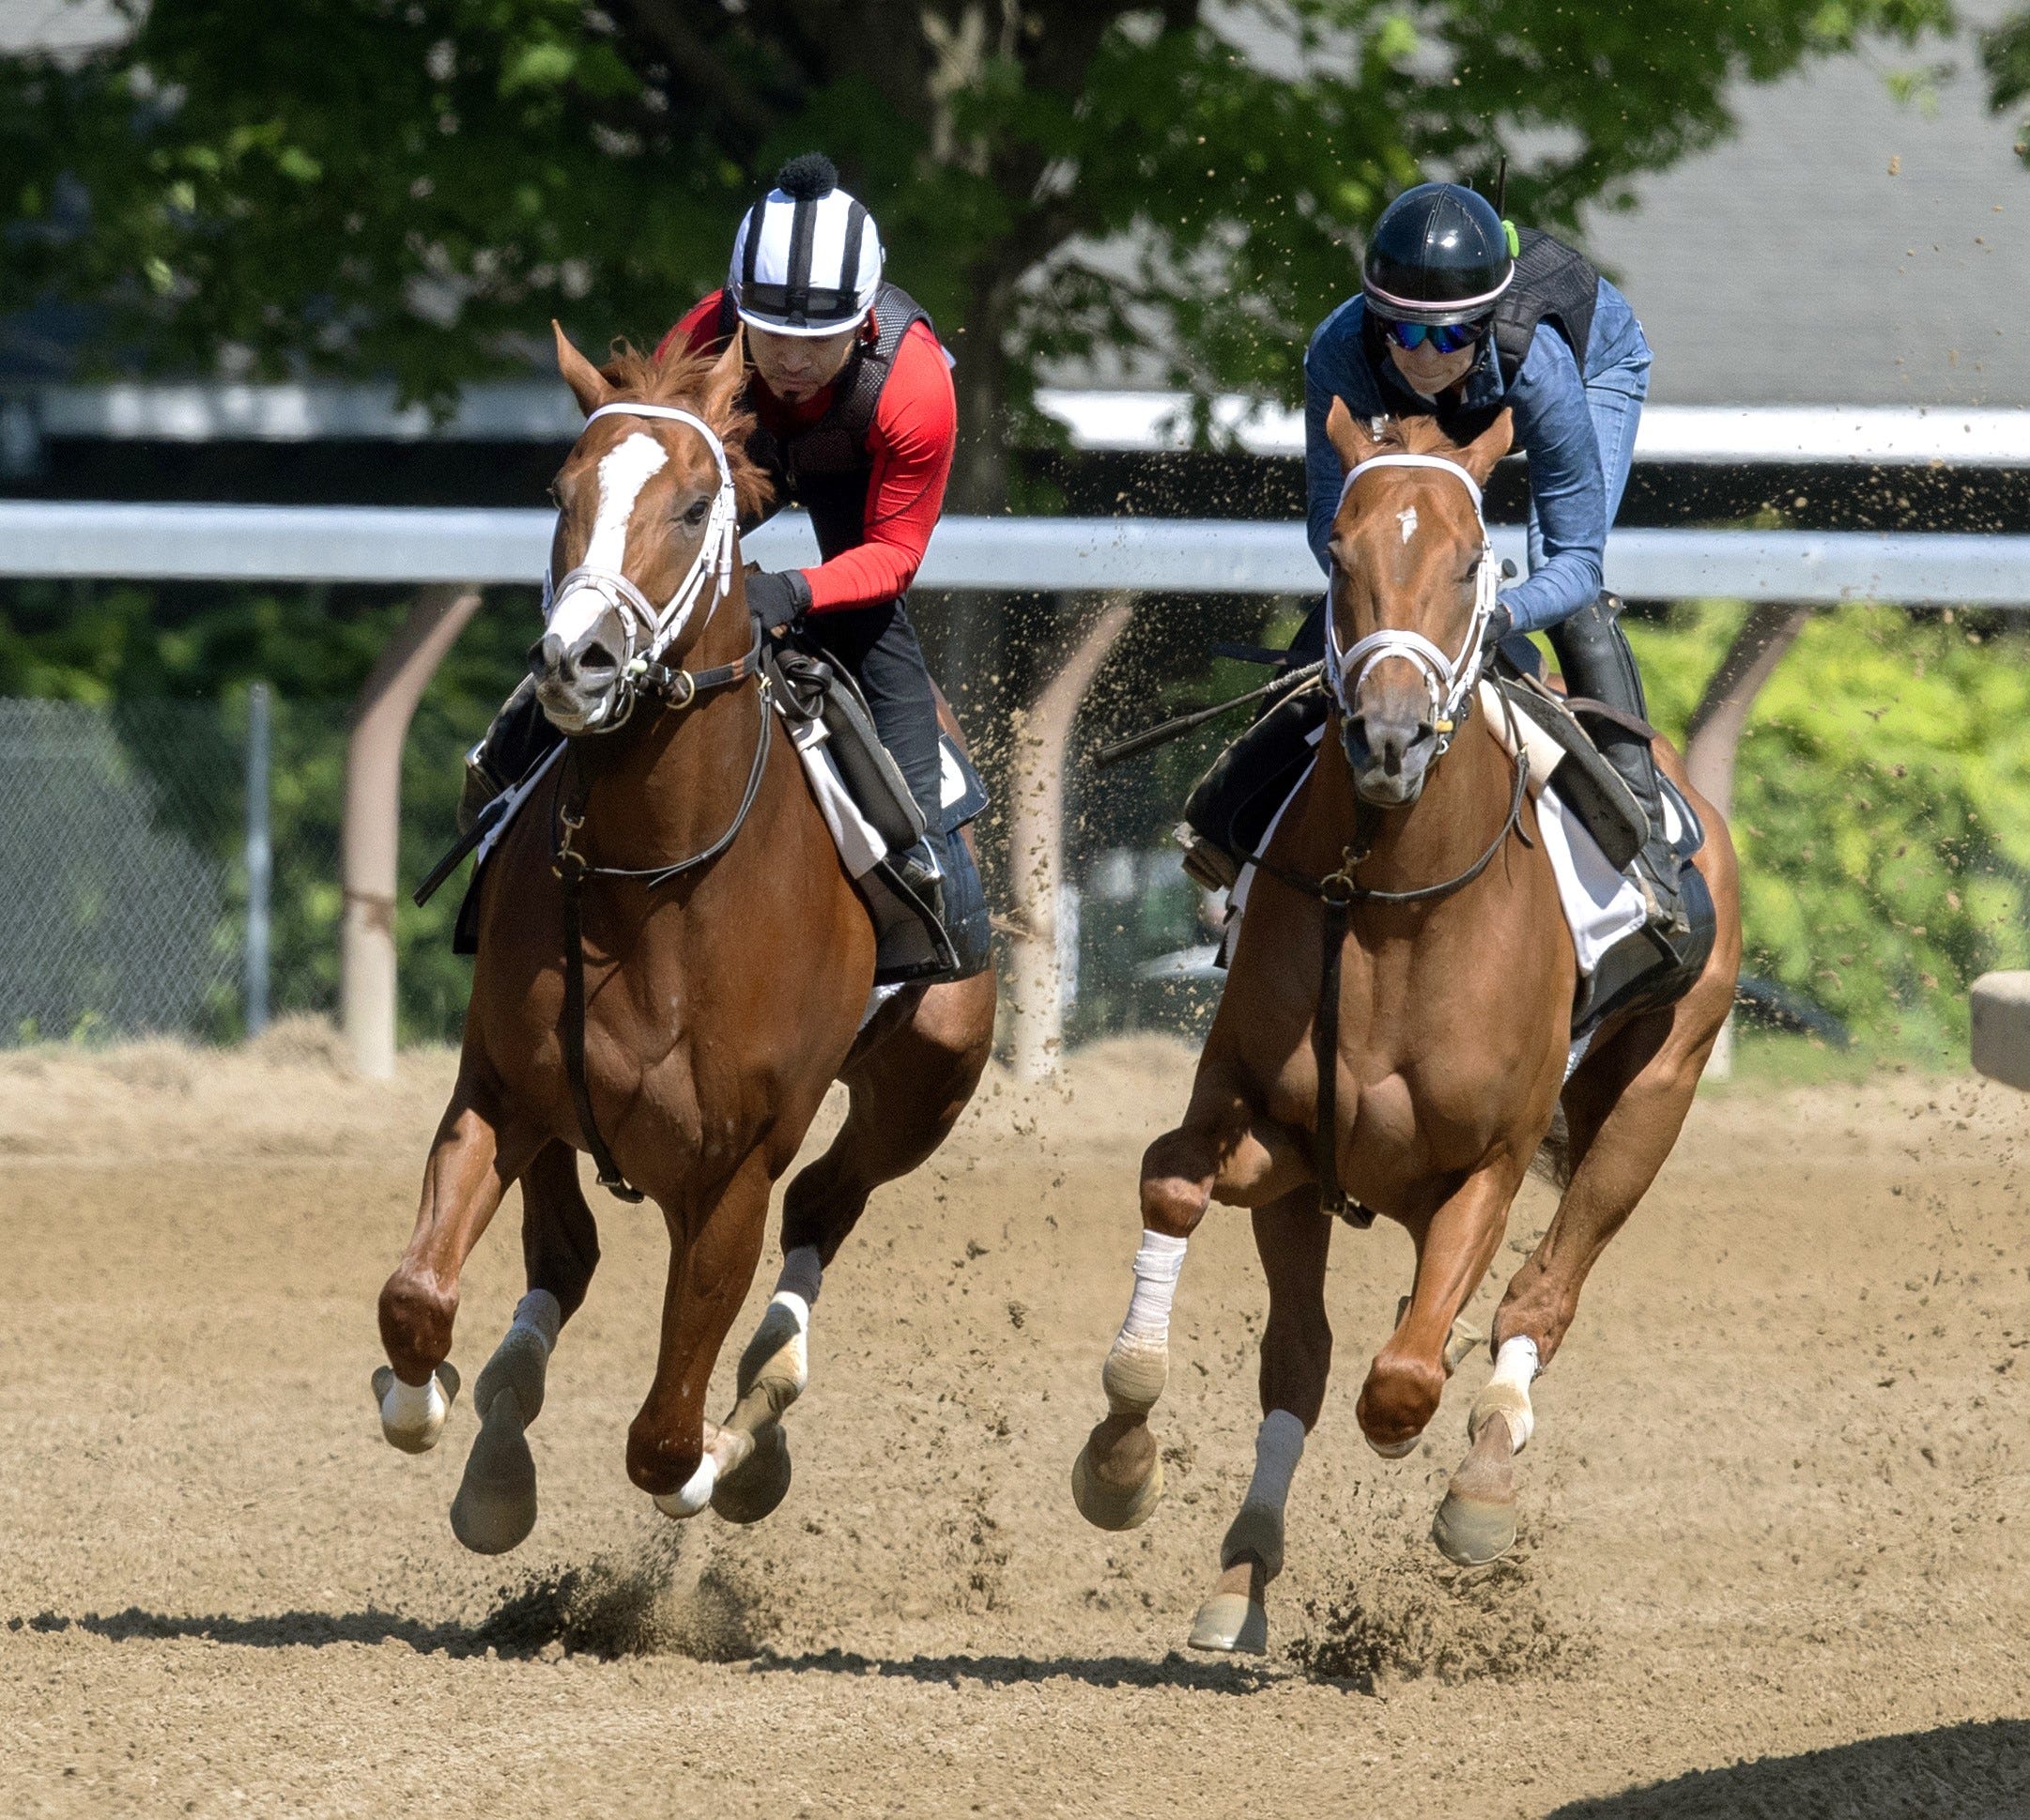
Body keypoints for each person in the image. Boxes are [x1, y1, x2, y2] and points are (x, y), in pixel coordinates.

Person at [465, 152, 956, 918]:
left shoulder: (916, 387)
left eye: (819, 341)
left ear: (864, 323)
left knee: (870, 628)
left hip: (854, 477)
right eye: (770, 335)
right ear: (736, 308)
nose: (791, 361)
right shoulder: (701, 336)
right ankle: (507, 765)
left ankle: (929, 857)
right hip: (732, 456)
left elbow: (893, 556)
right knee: (632, 588)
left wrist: (790, 590)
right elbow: (647, 479)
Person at [1284, 179, 1678, 933]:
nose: (1423, 358)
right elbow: (1329, 530)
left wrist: (1499, 614)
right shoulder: (1340, 349)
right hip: (1458, 403)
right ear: (1376, 319)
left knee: (1569, 597)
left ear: (1486, 322)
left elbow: (1575, 561)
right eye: (1403, 332)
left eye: (1448, 337)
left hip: (1594, 368)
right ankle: (1229, 822)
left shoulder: (1540, 366)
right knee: (1365, 578)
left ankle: (1645, 846)